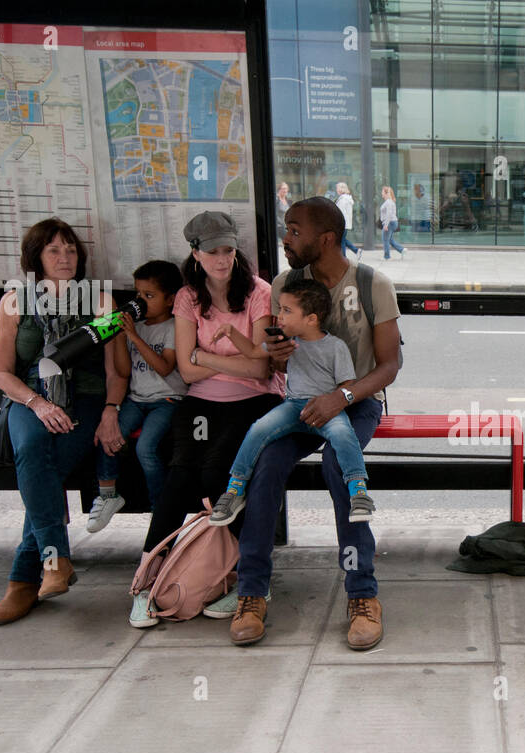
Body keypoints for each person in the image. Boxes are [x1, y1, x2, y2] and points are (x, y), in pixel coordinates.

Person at [229, 197, 402, 649]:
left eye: (294, 230)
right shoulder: (285, 284)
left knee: (336, 467)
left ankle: (362, 593)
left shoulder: (372, 284)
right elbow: (272, 358)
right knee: (266, 465)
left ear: (325, 239)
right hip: (300, 402)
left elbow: (389, 365)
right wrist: (277, 356)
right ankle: (251, 591)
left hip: (356, 401)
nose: (286, 239)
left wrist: (340, 397)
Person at [128, 211, 283, 628]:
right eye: (212, 251)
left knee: (219, 474)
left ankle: (251, 579)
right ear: (195, 253)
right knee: (179, 478)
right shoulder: (187, 298)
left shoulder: (258, 292)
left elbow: (261, 371)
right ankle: (146, 580)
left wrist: (203, 356)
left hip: (253, 401)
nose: (222, 259)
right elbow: (185, 371)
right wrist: (217, 361)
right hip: (200, 402)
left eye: (228, 250)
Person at [0, 218, 125, 625]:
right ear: (37, 258)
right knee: (31, 448)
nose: (65, 257)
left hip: (83, 400)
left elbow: (116, 373)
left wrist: (110, 411)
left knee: (47, 470)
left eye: (70, 249)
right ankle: (54, 562)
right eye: (54, 250)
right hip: (28, 400)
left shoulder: (101, 303)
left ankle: (25, 578)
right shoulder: (15, 301)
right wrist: (37, 404)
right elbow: (0, 373)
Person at [208, 277, 375, 527]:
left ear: (311, 318)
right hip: (292, 406)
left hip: (325, 408)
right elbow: (254, 352)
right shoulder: (285, 342)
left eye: (287, 310)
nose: (279, 316)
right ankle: (234, 490)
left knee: (343, 434)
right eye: (280, 309)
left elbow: (347, 384)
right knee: (258, 429)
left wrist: (334, 401)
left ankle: (358, 491)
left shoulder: (335, 347)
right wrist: (231, 333)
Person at [86, 259, 187, 530]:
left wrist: (135, 337)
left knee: (146, 448)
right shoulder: (137, 326)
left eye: (149, 296)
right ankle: (108, 494)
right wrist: (120, 335)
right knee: (106, 435)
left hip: (166, 400)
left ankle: (160, 509)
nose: (141, 302)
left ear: (170, 299)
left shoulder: (174, 326)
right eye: (138, 295)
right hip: (137, 399)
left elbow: (165, 367)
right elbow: (122, 369)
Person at [335, 182, 361, 259]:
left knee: (341, 241)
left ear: (340, 189)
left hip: (342, 224)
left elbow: (340, 213)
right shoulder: (345, 199)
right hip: (345, 224)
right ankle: (356, 251)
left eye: (337, 188)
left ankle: (343, 257)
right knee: (342, 239)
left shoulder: (343, 200)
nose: (336, 190)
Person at [379, 185, 406, 259]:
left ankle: (387, 257)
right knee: (389, 240)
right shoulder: (389, 202)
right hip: (391, 222)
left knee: (385, 240)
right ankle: (402, 250)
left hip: (390, 223)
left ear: (386, 193)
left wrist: (386, 225)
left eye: (382, 192)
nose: (381, 193)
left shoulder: (388, 202)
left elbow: (389, 214)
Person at [275, 182, 291, 248]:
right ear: (279, 189)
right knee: (289, 241)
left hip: (286, 225)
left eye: (286, 188)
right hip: (279, 226)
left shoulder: (287, 199)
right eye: (283, 188)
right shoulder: (276, 199)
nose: (285, 190)